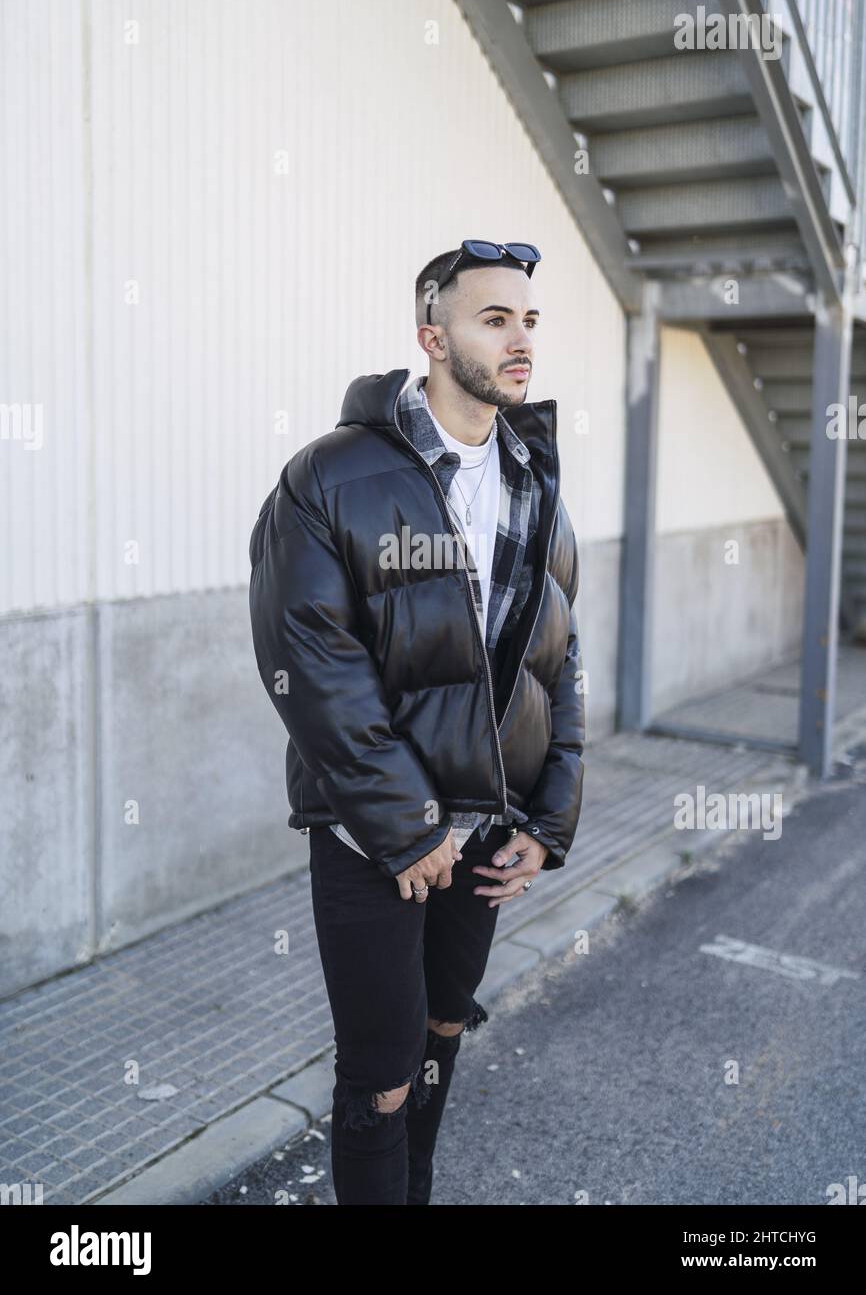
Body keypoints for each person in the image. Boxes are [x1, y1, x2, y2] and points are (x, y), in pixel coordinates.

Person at [248, 240, 586, 1204]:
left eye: (530, 320)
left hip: (485, 832)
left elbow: (559, 659)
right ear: (432, 339)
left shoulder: (535, 480)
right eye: (495, 320)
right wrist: (408, 825)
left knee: (444, 1030)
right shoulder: (330, 475)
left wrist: (546, 818)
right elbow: (308, 660)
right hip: (372, 839)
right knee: (382, 1078)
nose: (522, 341)